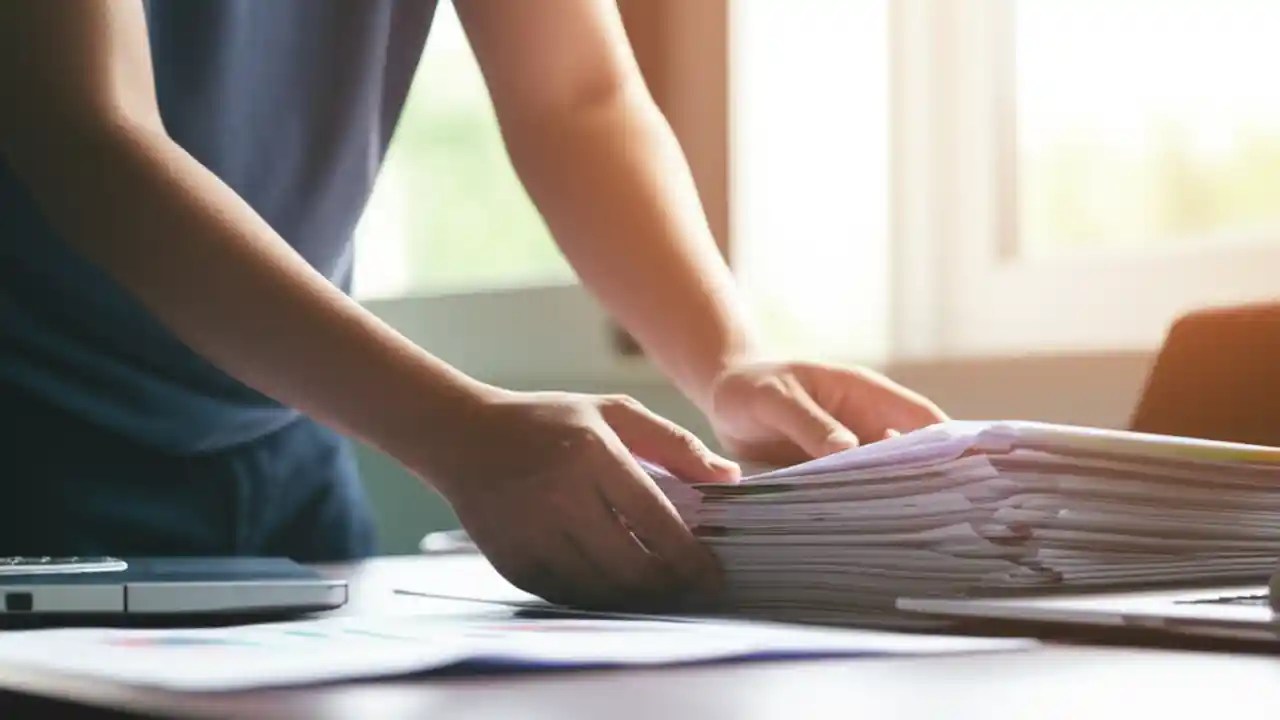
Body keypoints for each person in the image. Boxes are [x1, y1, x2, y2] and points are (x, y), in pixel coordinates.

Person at [0, 1, 945, 609]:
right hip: (31, 441)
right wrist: (454, 426)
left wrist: (730, 360)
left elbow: (577, 95)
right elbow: (85, 127)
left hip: (283, 447)